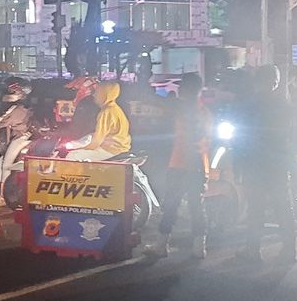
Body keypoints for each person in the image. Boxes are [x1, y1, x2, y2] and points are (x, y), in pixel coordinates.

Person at [234, 65, 296, 265]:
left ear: (258, 82)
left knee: (256, 209)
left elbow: (241, 138)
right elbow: (292, 138)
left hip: (255, 164)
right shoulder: (285, 105)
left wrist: (239, 164)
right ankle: (289, 250)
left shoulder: (249, 105)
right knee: (283, 208)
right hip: (277, 164)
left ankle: (253, 250)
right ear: (275, 82)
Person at [145, 73, 212, 259]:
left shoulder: (178, 110)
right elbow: (207, 140)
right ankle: (199, 247)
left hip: (178, 163)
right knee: (196, 206)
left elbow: (168, 136)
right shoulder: (204, 113)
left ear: (185, 89)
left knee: (171, 206)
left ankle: (161, 245)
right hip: (198, 166)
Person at [63, 81, 131, 162]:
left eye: (97, 92)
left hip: (111, 150)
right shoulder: (115, 109)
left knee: (73, 155)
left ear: (104, 94)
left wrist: (78, 148)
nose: (94, 95)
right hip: (119, 148)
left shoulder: (106, 112)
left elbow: (96, 142)